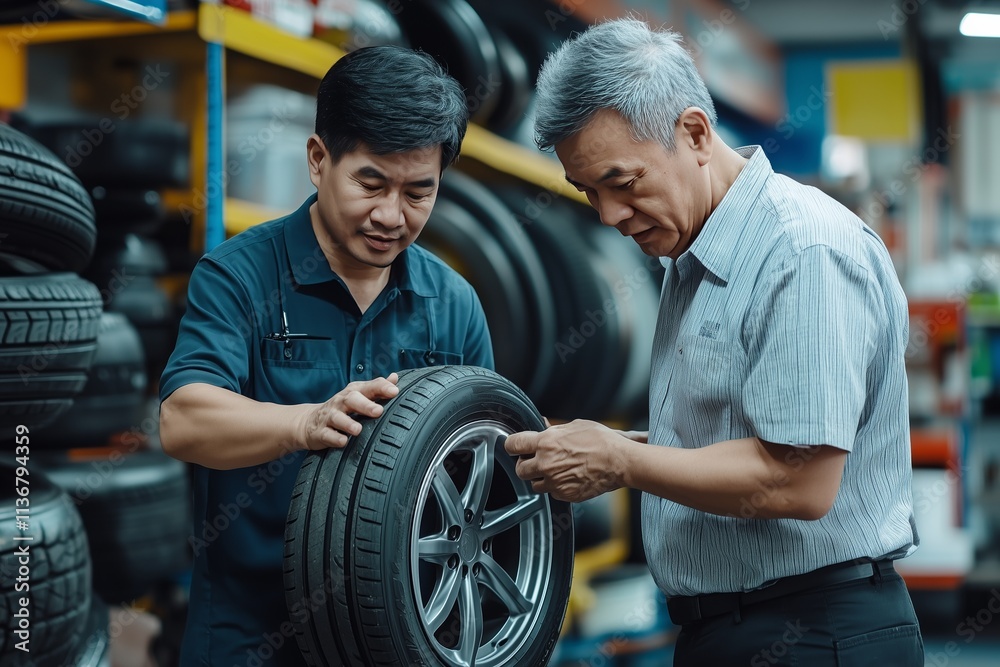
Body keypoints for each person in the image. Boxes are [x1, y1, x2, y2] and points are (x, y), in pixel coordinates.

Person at [504, 18, 923, 666]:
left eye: (623, 182)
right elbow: (742, 436)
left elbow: (799, 479)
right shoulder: (691, 258)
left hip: (814, 633)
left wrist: (622, 460)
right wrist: (596, 445)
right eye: (588, 192)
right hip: (732, 629)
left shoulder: (800, 251)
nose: (608, 216)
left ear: (695, 133)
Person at [159, 46, 493, 666]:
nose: (391, 216)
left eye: (419, 193)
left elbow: (481, 472)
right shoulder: (239, 277)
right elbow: (183, 420)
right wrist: (301, 423)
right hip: (250, 631)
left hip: (395, 632)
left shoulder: (454, 303)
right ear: (318, 161)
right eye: (370, 184)